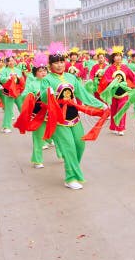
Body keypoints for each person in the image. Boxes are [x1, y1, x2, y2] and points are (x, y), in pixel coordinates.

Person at [40, 44, 109, 190]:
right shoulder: (47, 80)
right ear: (50, 65)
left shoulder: (71, 77)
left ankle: (72, 167)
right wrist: (48, 93)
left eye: (61, 62)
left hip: (74, 116)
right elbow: (43, 97)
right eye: (56, 62)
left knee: (79, 144)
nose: (59, 65)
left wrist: (100, 105)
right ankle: (70, 177)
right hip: (58, 118)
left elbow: (83, 94)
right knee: (69, 147)